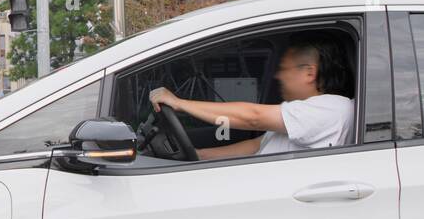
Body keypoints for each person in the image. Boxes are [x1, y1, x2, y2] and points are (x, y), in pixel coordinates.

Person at [148, 33, 354, 161]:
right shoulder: (302, 112)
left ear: (309, 73)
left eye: (284, 69)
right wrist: (199, 155)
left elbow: (253, 116)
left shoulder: (332, 108)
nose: (277, 75)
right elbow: (256, 146)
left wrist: (180, 103)